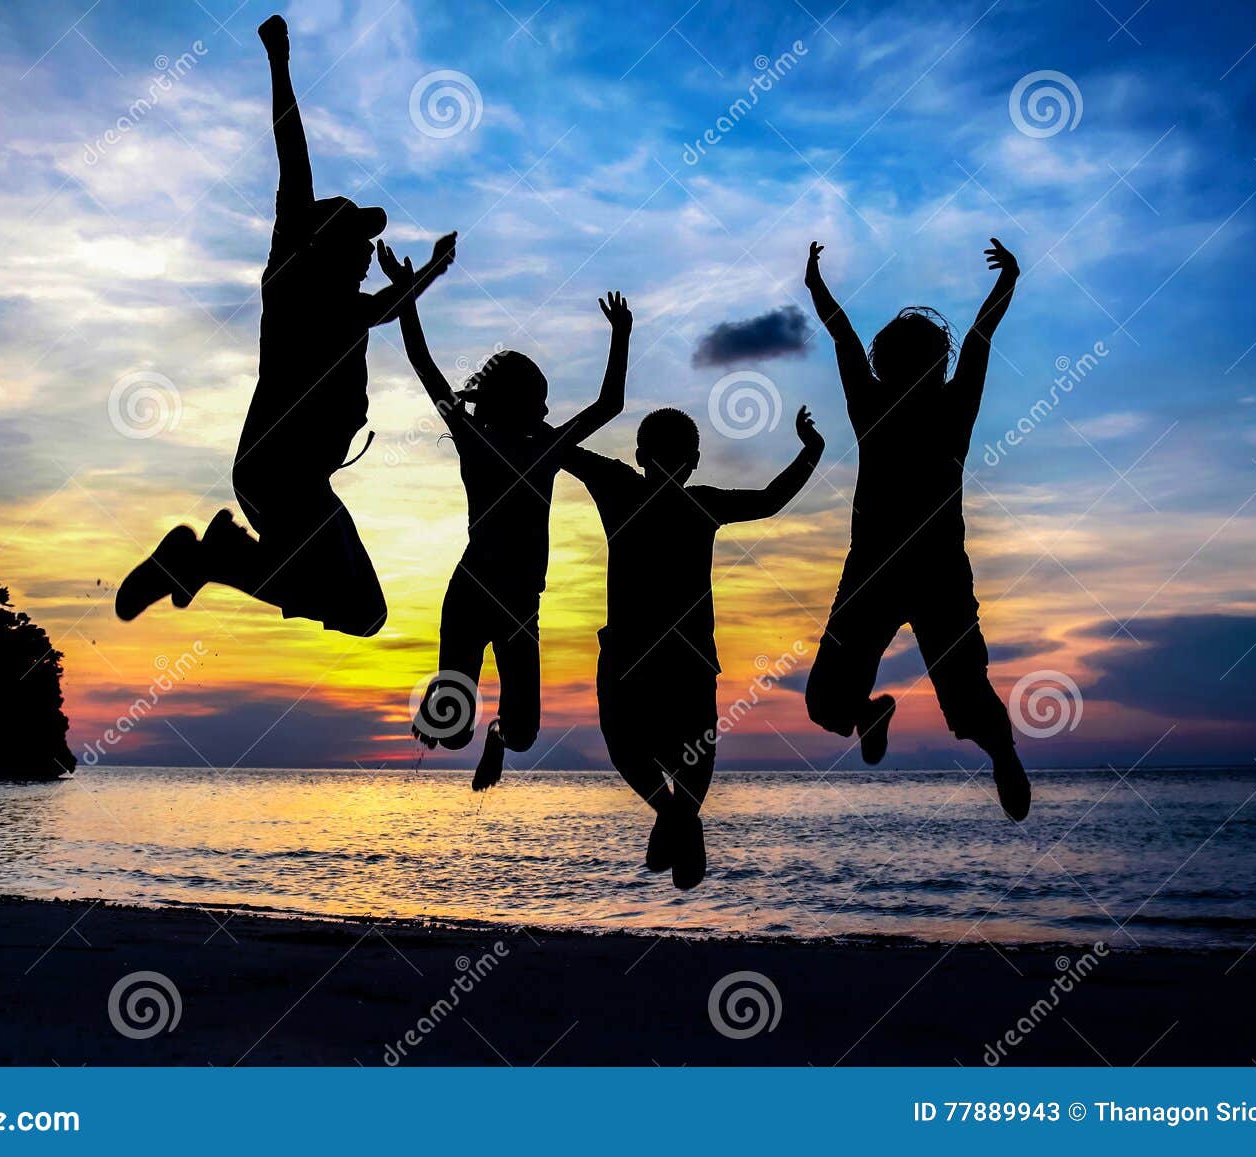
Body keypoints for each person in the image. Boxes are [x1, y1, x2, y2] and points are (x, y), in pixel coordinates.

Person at [114, 14, 456, 635]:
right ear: (324, 243)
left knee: (368, 612)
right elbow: (291, 153)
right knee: (352, 607)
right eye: (356, 238)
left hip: (304, 479)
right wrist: (279, 63)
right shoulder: (296, 279)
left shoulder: (353, 308)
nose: (364, 249)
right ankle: (210, 557)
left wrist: (426, 272)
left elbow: (388, 307)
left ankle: (211, 556)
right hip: (280, 474)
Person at [387, 241, 632, 791]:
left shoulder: (546, 450)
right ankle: (445, 703)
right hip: (472, 593)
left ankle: (496, 741)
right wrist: (405, 299)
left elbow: (609, 404)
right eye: (539, 402)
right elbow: (424, 367)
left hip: (521, 603)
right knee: (450, 732)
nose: (547, 412)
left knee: (522, 733)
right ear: (514, 402)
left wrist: (621, 336)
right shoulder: (476, 440)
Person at [802, 237, 1031, 820]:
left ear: (886, 365)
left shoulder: (872, 405)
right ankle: (996, 747)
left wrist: (816, 286)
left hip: (883, 569)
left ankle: (871, 715)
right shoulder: (954, 406)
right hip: (931, 570)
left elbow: (843, 338)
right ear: (938, 362)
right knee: (964, 692)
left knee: (828, 705)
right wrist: (1007, 282)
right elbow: (980, 337)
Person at [564, 406, 823, 889]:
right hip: (670, 656)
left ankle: (677, 816)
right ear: (696, 459)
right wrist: (811, 451)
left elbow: (561, 448)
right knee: (679, 753)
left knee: (640, 748)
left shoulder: (623, 485)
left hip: (649, 654)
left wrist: (505, 415)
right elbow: (770, 499)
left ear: (641, 454)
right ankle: (680, 818)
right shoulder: (680, 498)